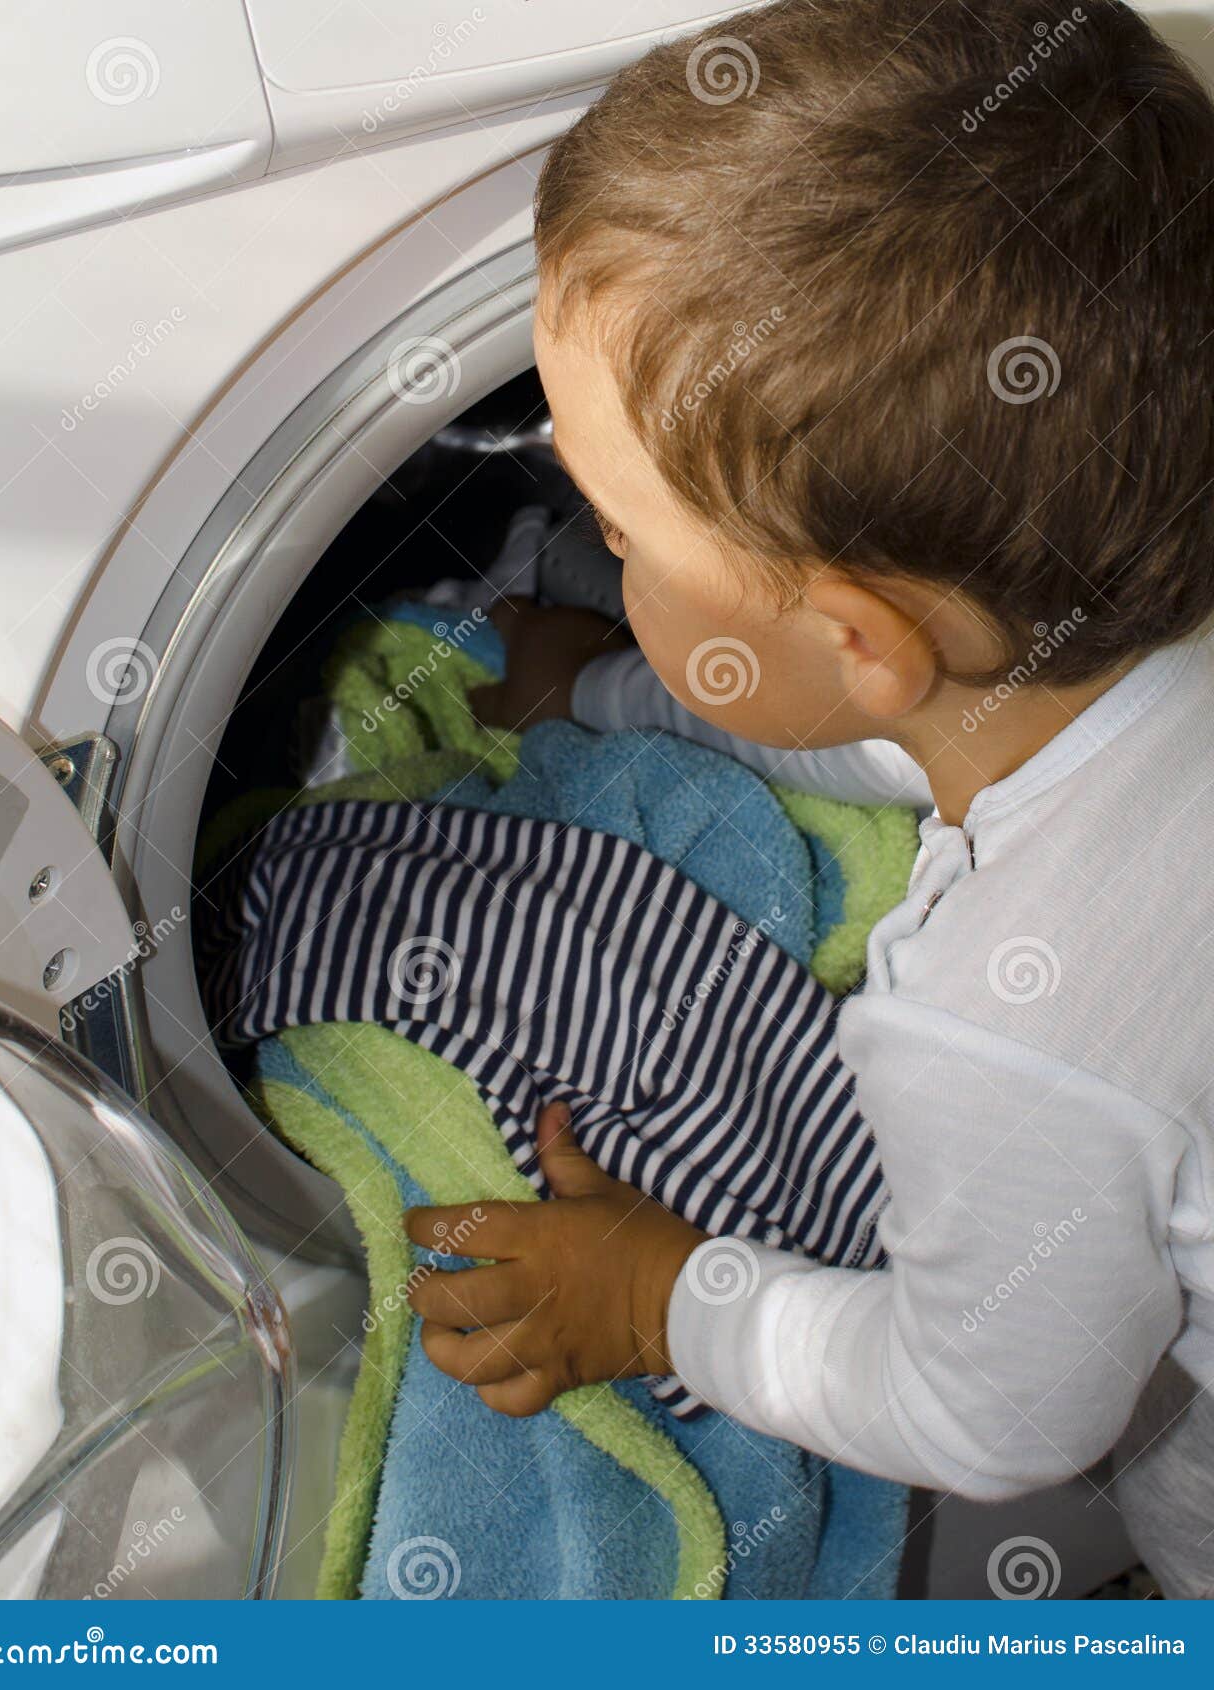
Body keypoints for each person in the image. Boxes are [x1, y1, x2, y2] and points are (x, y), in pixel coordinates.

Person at [404, 0, 1214, 1596]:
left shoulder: (1001, 1021)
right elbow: (880, 726)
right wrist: (600, 688)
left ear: (855, 635)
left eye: (621, 533)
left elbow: (987, 1409)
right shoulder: (1088, 644)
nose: (599, 545)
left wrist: (664, 1297)